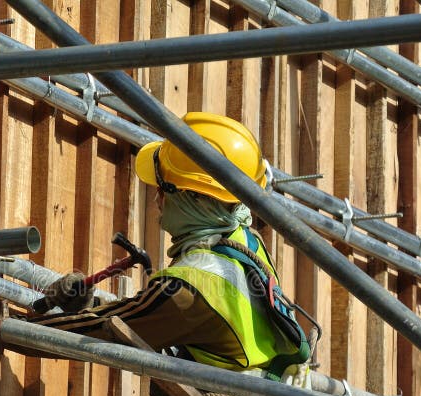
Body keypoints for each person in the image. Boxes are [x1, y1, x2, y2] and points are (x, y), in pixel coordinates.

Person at [31, 112, 310, 381]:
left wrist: (1, 326)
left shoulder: (189, 286)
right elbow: (151, 316)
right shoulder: (246, 241)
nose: (158, 198)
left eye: (164, 188)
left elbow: (101, 331)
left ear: (194, 200)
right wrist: (91, 304)